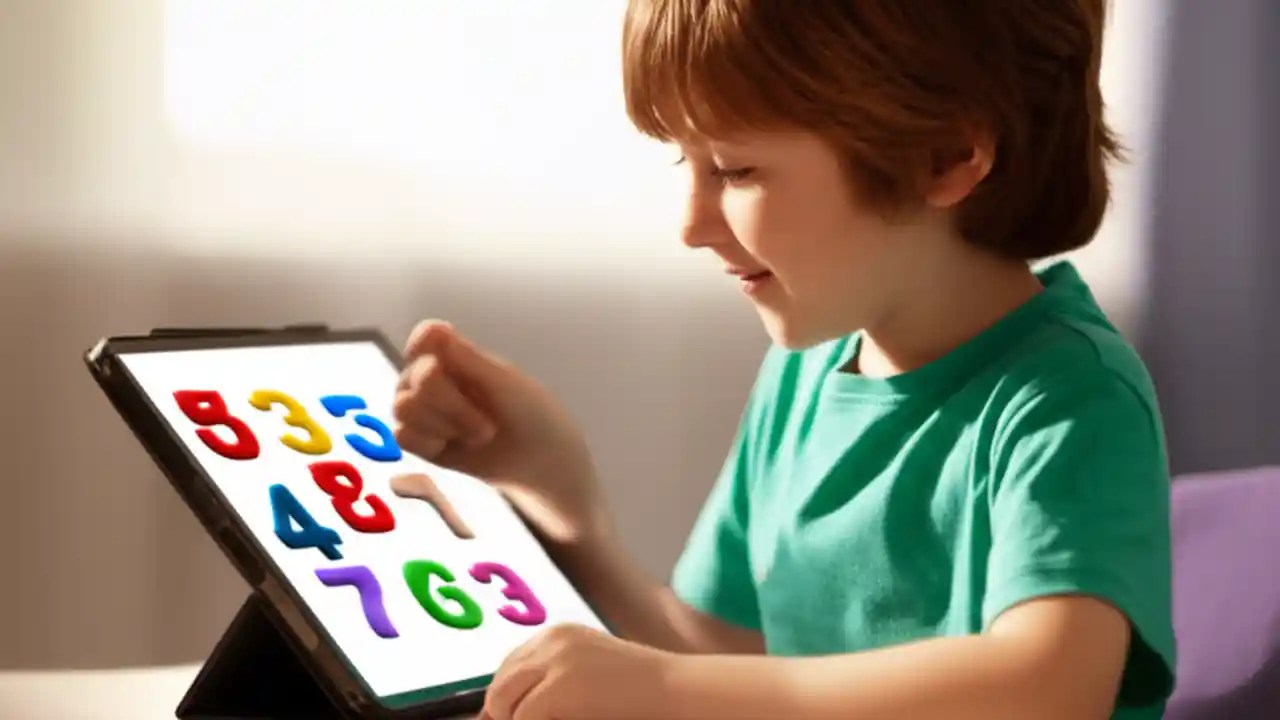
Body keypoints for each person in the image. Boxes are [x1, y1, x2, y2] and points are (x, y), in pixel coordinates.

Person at [392, 0, 1177, 718]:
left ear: (944, 155)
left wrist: (663, 688)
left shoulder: (1069, 399)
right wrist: (562, 502)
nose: (693, 225)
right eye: (686, 166)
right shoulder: (803, 376)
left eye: (734, 170)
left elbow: (1046, 688)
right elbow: (707, 657)